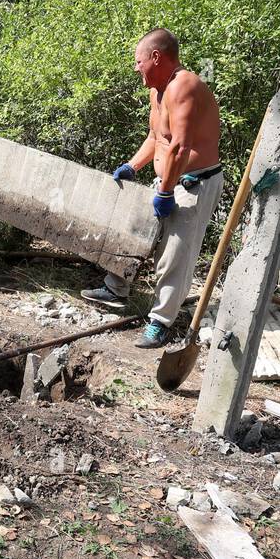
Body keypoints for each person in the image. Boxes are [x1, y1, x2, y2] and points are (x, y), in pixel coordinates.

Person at [81, 28, 223, 349]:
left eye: (139, 61)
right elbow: (156, 139)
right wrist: (133, 166)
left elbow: (180, 148)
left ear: (156, 57)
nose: (136, 68)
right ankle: (116, 288)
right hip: (169, 180)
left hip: (193, 183)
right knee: (136, 229)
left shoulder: (183, 86)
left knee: (175, 252)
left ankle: (160, 323)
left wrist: (166, 191)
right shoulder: (157, 91)